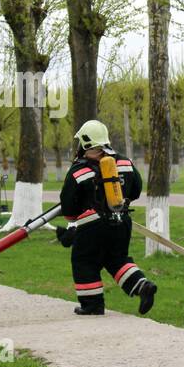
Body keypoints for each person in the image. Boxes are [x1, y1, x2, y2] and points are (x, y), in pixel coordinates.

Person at [57, 120, 157, 317]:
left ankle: (92, 304)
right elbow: (136, 190)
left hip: (92, 226)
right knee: (117, 260)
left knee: (84, 261)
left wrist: (73, 223)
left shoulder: (78, 170)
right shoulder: (125, 162)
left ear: (85, 144)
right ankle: (142, 286)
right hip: (122, 222)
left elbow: (68, 205)